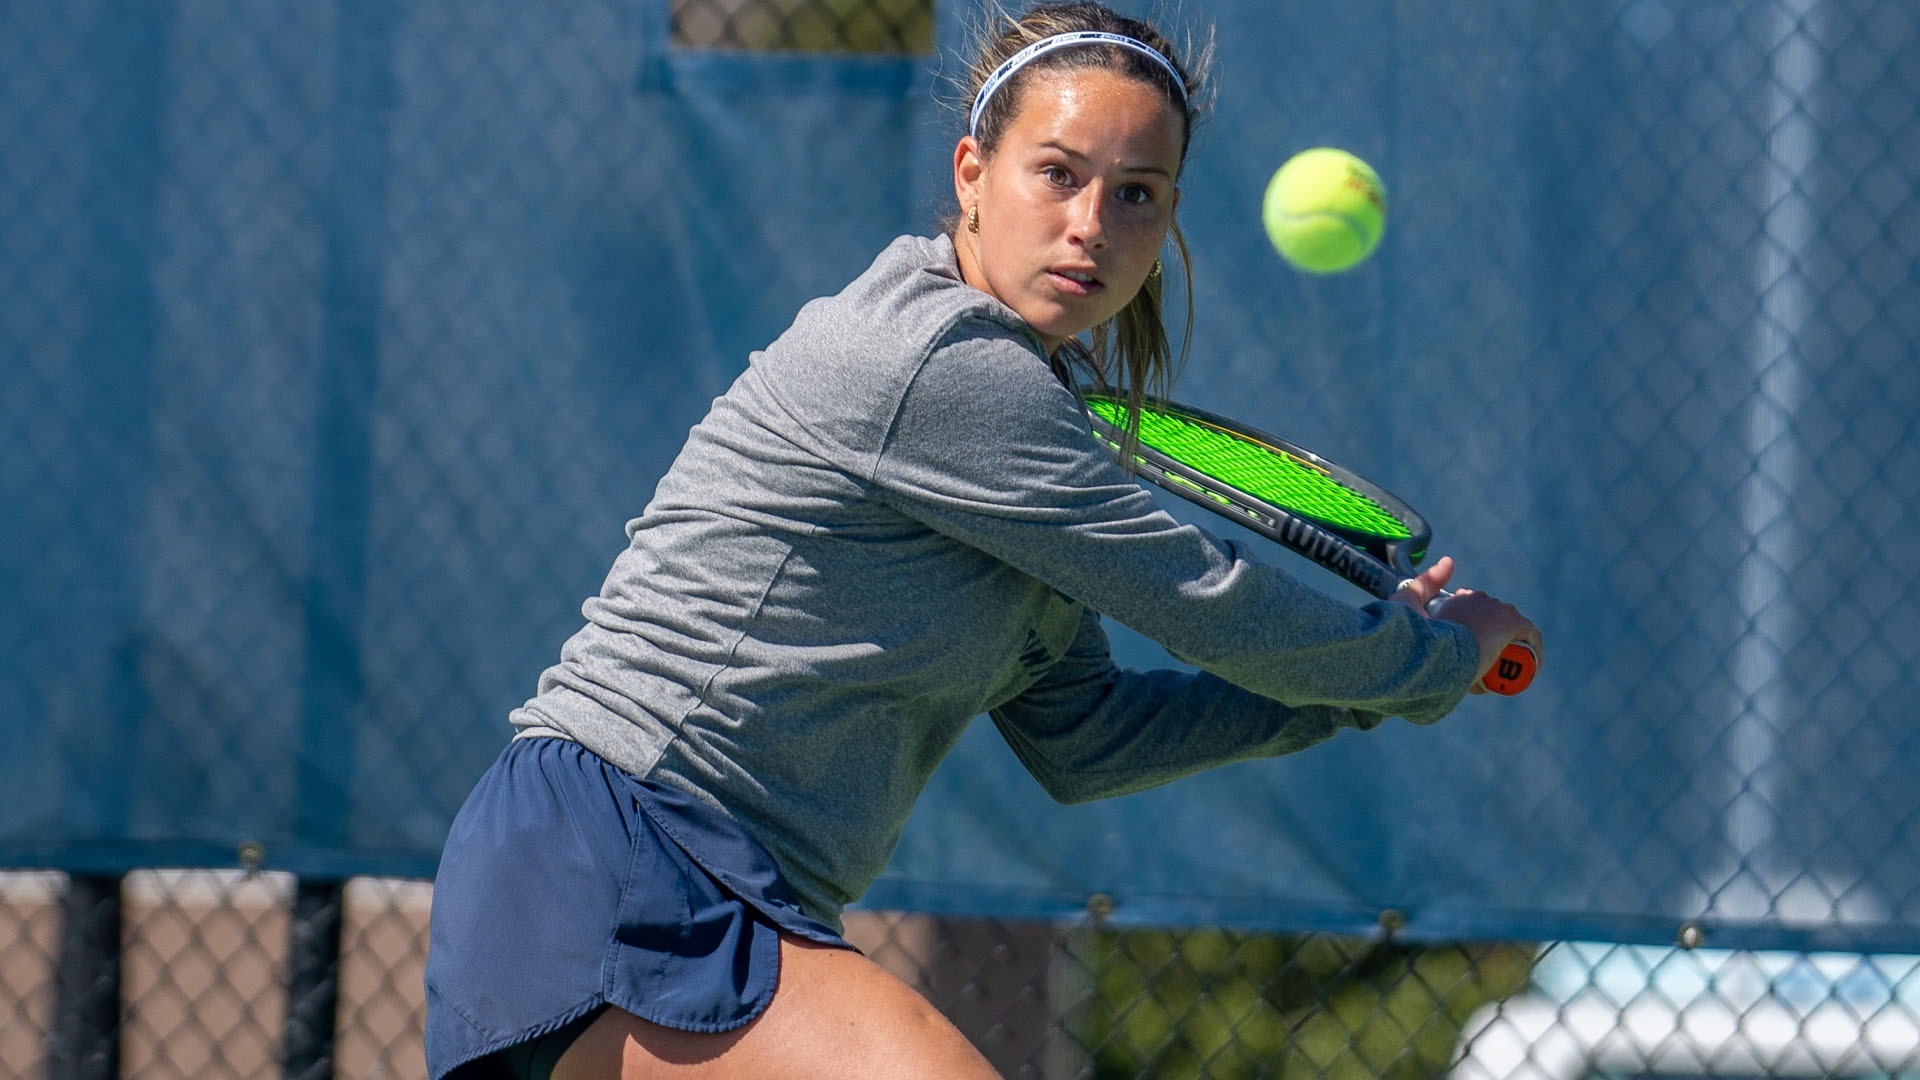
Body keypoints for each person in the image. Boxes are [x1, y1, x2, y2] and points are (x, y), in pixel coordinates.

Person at [424, 3, 1543, 1078]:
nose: (1092, 224)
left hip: (701, 883)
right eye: (1057, 173)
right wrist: (1426, 659)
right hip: (621, 854)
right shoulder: (946, 368)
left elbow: (1090, 739)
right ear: (972, 174)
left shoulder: (1029, 426)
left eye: (1138, 195)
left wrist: (1356, 686)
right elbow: (1201, 598)